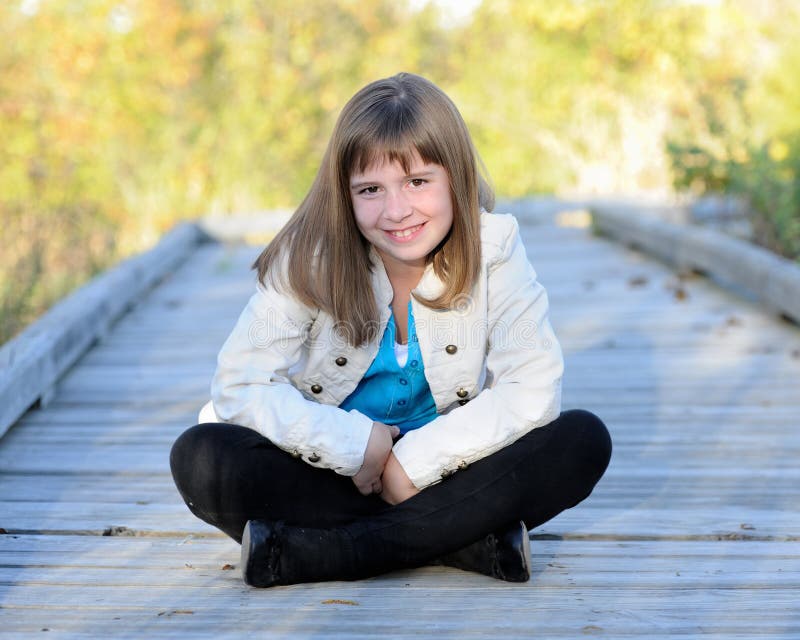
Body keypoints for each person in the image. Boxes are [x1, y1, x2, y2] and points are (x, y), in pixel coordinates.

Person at [170, 72, 611, 588]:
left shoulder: (496, 248)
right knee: (202, 459)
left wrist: (412, 466)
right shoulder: (309, 257)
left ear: (456, 177)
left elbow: (532, 388)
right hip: (331, 470)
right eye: (371, 189)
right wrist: (356, 446)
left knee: (581, 440)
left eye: (418, 181)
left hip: (443, 473)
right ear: (346, 194)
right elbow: (240, 383)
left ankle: (319, 555)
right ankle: (466, 543)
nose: (397, 210)